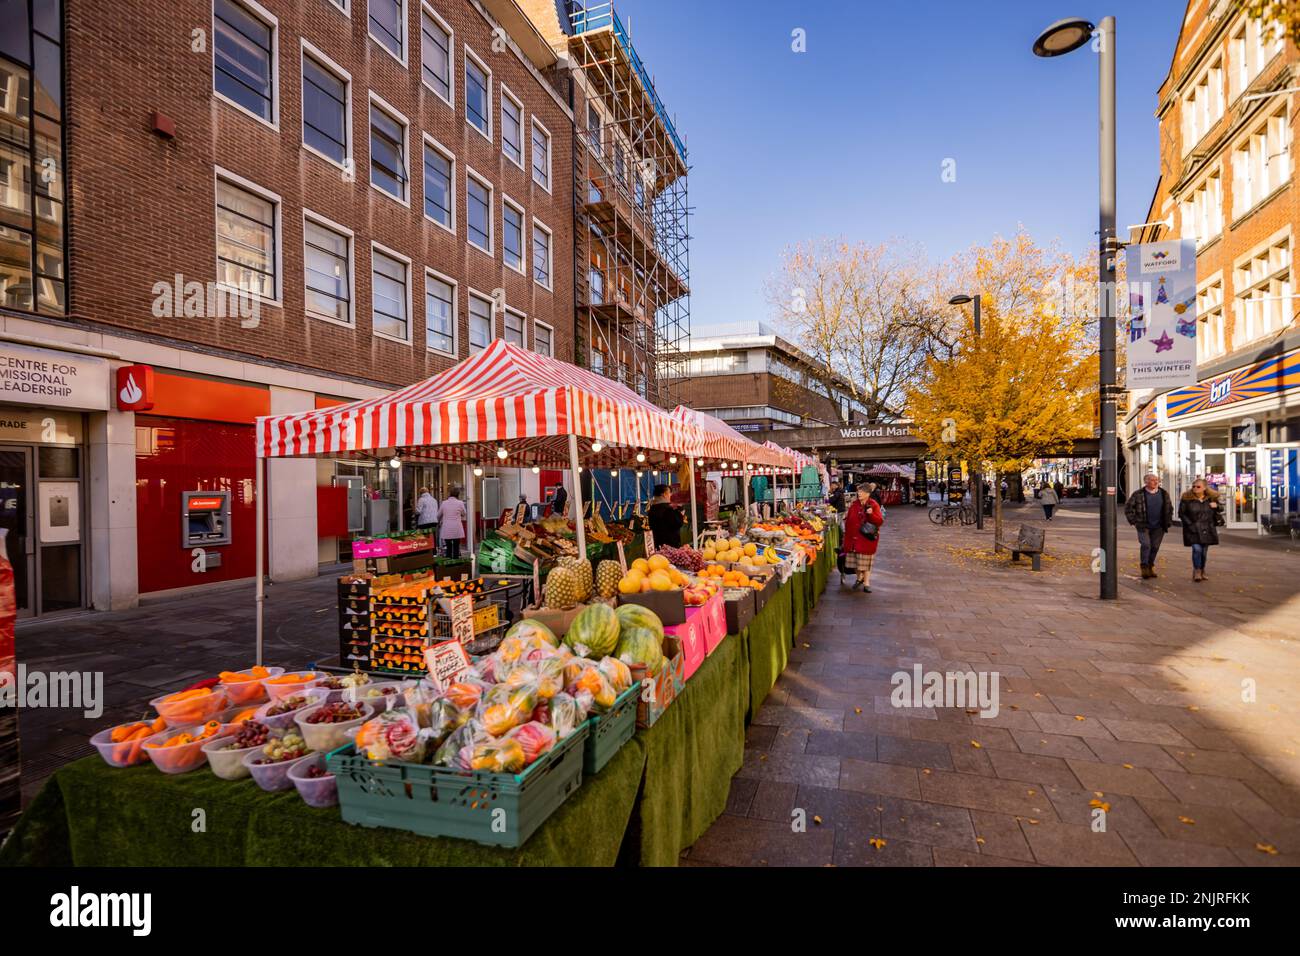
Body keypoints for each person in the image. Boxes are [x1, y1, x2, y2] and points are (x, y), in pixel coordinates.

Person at [1124, 473, 1173, 579]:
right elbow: (1128, 508)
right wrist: (1134, 521)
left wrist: (1168, 521)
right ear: (1146, 482)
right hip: (1143, 525)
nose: (1155, 482)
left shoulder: (1164, 493)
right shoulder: (1138, 494)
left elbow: (1169, 508)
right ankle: (1144, 567)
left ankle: (1150, 566)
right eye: (1152, 480)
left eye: (1157, 480)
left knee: (1155, 547)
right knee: (1146, 545)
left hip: (1159, 526)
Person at [1178, 478, 1223, 583]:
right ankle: (1197, 570)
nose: (1195, 488)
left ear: (1204, 488)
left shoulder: (1211, 498)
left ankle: (1202, 570)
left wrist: (1217, 506)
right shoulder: (1186, 498)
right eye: (1194, 486)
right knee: (1197, 549)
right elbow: (1182, 513)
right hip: (1193, 529)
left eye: (1198, 487)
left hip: (1207, 528)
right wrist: (1190, 525)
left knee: (1203, 552)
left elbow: (1221, 508)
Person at [841, 485, 884, 593]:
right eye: (858, 491)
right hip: (852, 538)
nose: (859, 493)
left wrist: (871, 514)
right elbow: (850, 518)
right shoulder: (854, 504)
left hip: (865, 538)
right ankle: (859, 578)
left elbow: (879, 521)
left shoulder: (873, 504)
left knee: (865, 562)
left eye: (861, 492)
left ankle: (866, 583)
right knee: (855, 562)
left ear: (868, 493)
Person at [646, 484, 684, 548]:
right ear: (664, 494)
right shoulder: (668, 508)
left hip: (657, 542)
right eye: (669, 493)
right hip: (670, 544)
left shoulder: (652, 508)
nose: (670, 495)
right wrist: (680, 514)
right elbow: (678, 523)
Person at [437, 488, 468, 559]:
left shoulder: (444, 503)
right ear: (458, 495)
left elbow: (438, 515)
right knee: (456, 546)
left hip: (447, 528)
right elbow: (464, 513)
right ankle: (456, 563)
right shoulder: (460, 503)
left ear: (450, 494)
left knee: (448, 546)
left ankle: (449, 563)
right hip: (456, 528)